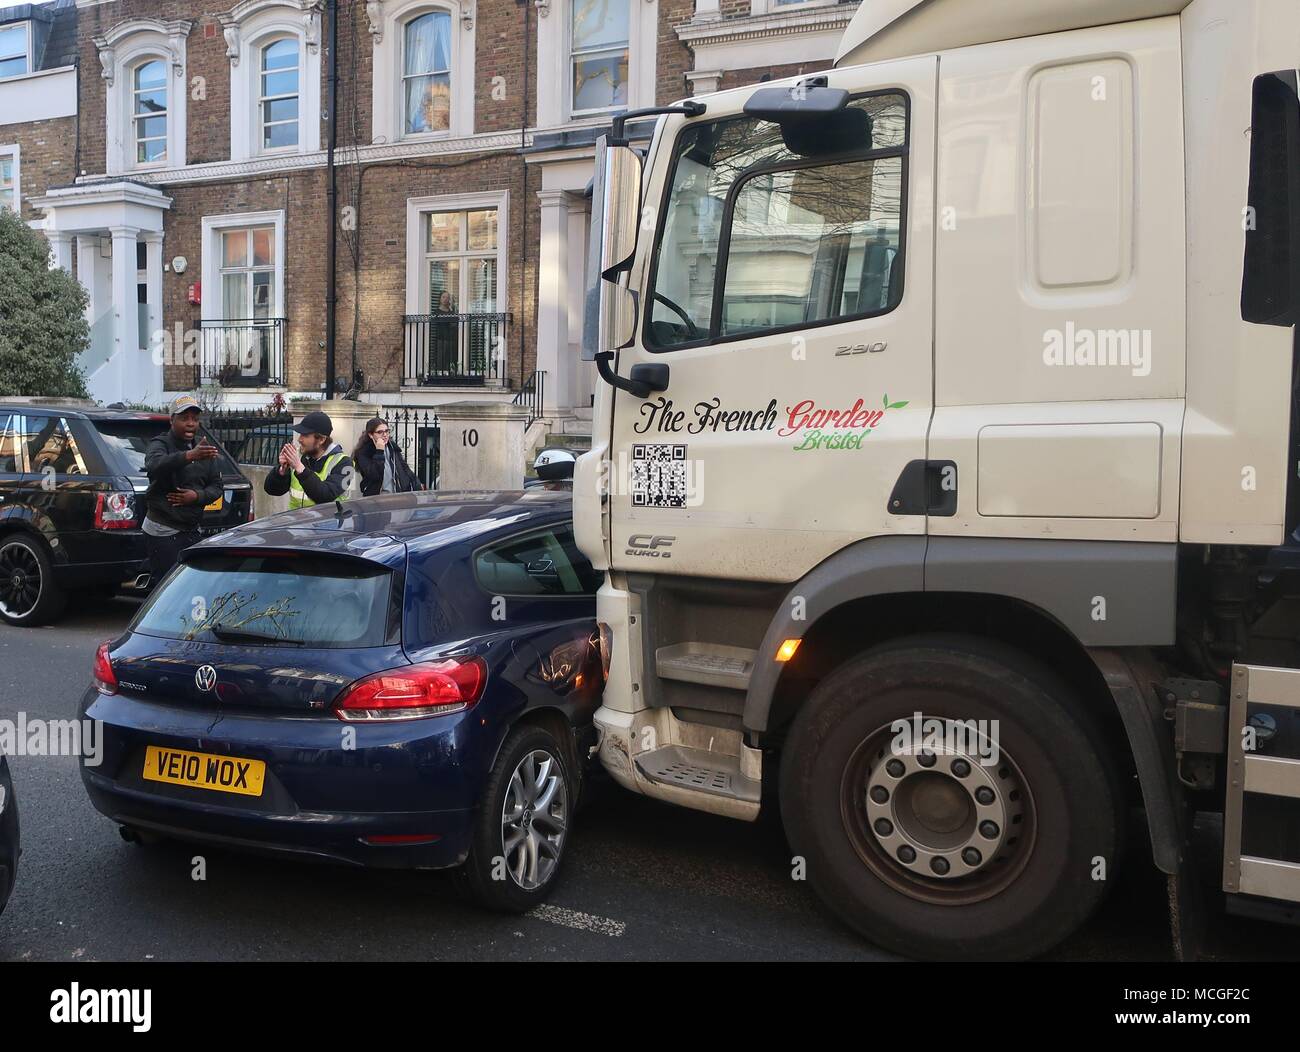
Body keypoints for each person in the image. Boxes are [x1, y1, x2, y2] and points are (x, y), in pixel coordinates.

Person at [142, 394, 223, 586]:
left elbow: (217, 487)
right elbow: (155, 465)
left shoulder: (203, 450)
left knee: (190, 586)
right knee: (166, 587)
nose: (190, 424)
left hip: (190, 528)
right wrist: (188, 456)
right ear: (172, 420)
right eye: (184, 418)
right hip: (162, 529)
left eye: (194, 419)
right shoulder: (160, 444)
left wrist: (196, 496)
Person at [264, 410, 352, 509]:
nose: (299, 439)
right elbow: (272, 490)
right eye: (300, 434)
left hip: (329, 522)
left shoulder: (344, 463)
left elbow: (325, 496)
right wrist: (281, 471)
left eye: (305, 435)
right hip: (297, 521)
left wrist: (299, 468)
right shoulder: (299, 456)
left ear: (321, 439)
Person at [353, 417, 421, 496]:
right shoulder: (363, 452)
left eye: (386, 431)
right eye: (380, 432)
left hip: (397, 496)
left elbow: (405, 468)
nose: (385, 435)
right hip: (376, 499)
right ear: (371, 435)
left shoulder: (392, 447)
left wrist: (417, 485)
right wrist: (379, 451)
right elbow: (375, 475)